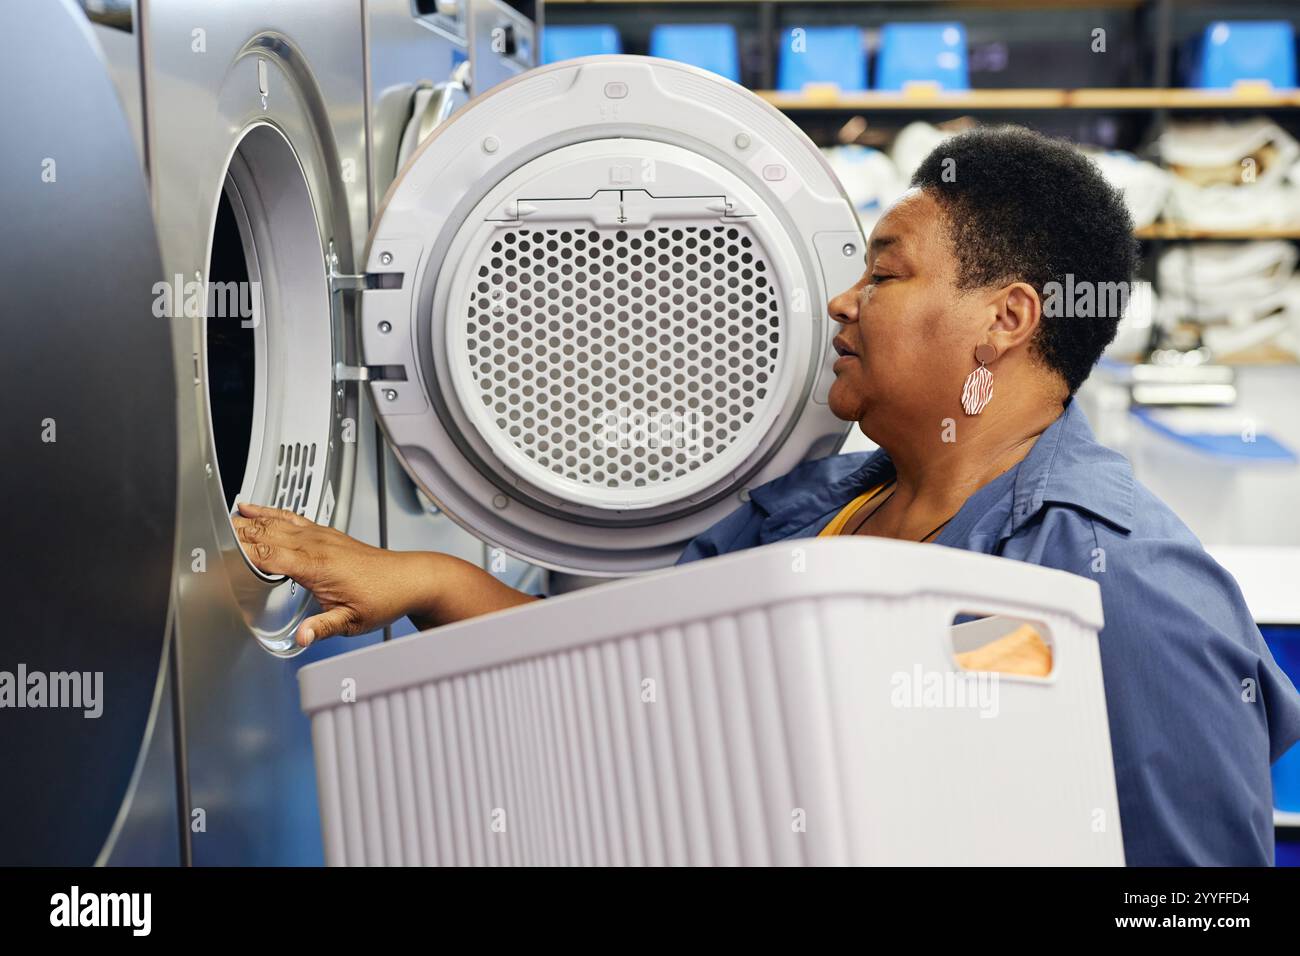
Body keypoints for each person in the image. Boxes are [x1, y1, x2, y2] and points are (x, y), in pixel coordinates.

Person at [233, 126, 1300, 865]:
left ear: (1004, 318)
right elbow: (623, 673)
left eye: (884, 273)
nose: (843, 298)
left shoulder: (1120, 580)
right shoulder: (819, 506)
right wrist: (428, 576)